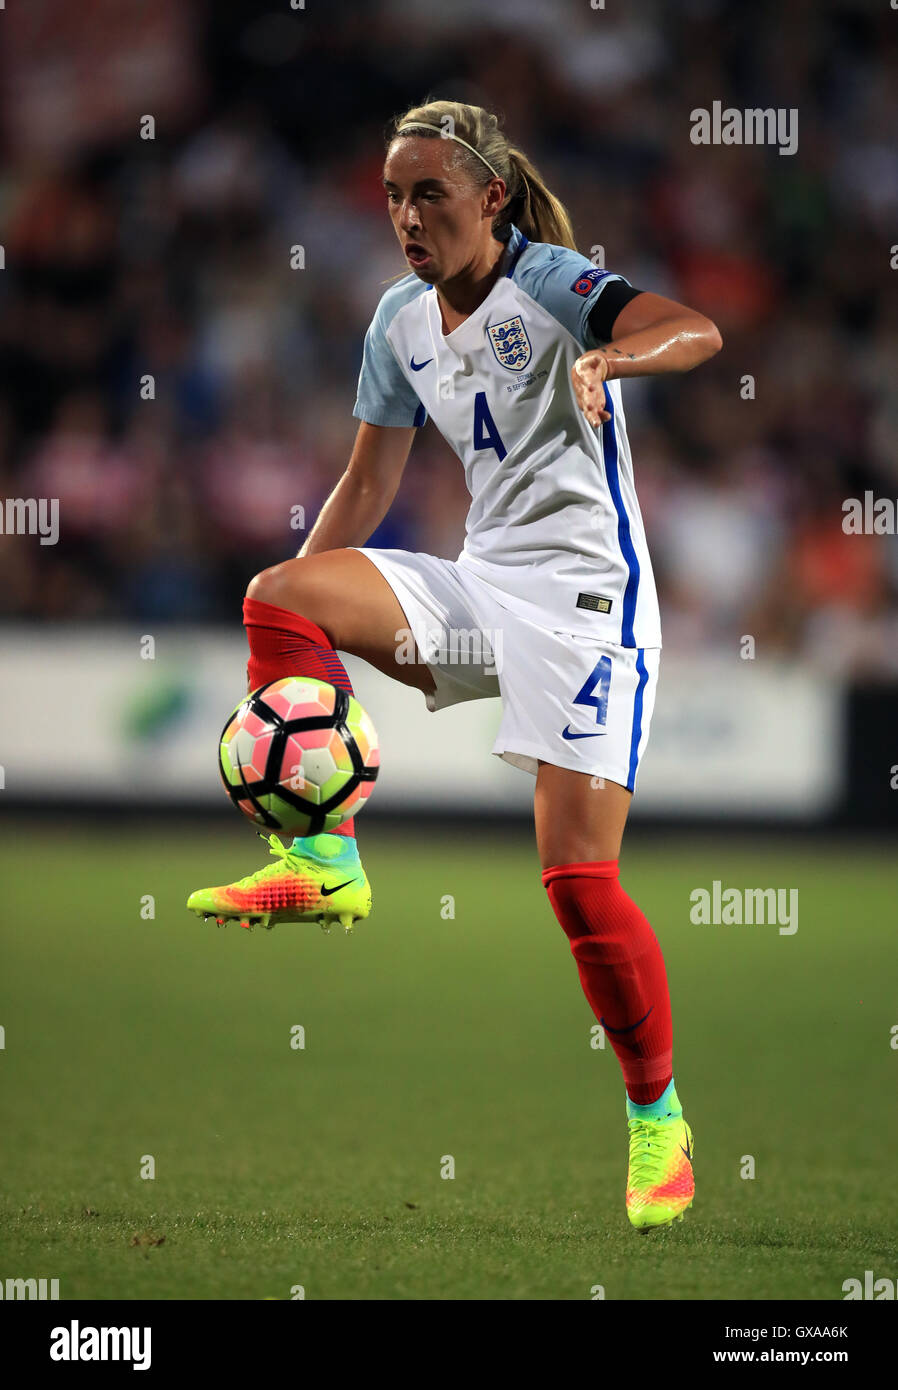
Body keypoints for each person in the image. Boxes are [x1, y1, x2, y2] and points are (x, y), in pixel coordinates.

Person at [187, 99, 722, 1230]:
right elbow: (370, 489)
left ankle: (655, 1120)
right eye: (390, 195)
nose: (405, 216)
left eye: (428, 193)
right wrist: (296, 657)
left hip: (589, 611)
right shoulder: (395, 320)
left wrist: (615, 358)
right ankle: (324, 855)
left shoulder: (555, 283)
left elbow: (698, 330)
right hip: (482, 587)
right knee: (279, 592)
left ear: (489, 196)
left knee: (578, 883)